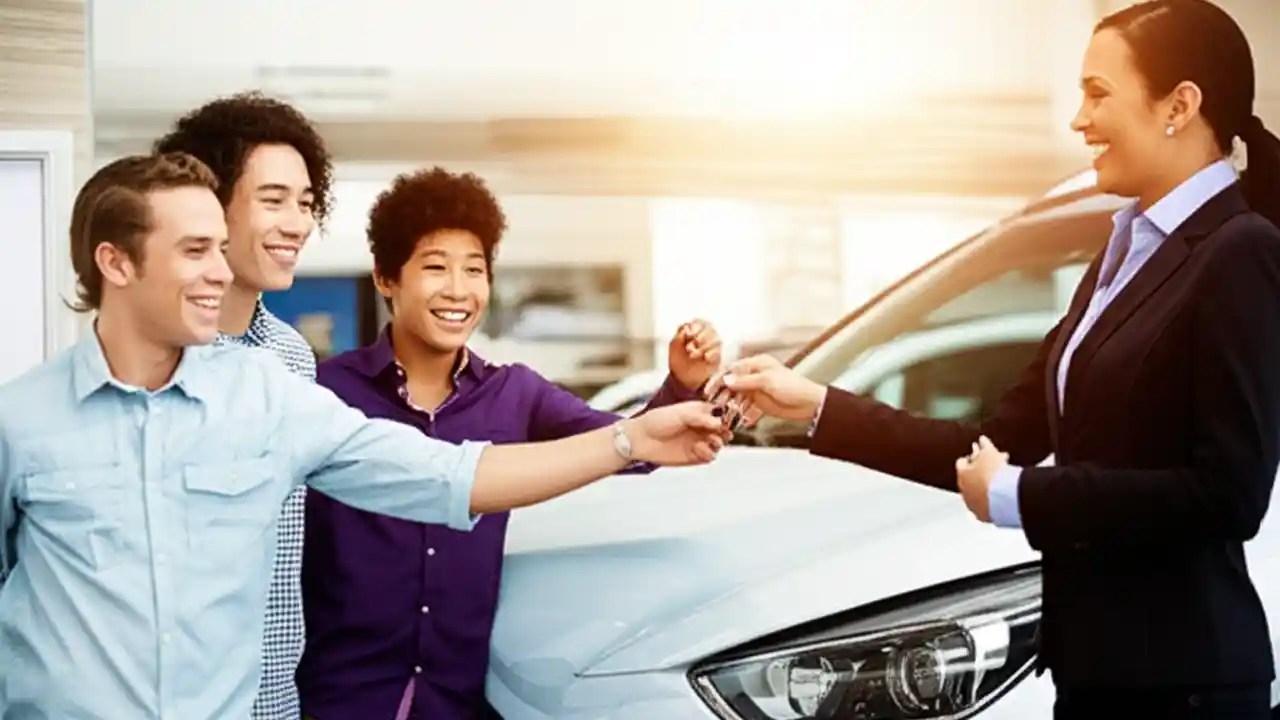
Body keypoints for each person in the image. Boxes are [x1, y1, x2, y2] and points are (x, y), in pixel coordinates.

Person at [0, 152, 729, 719]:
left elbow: (450, 476)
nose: (223, 272)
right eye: (197, 251)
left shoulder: (269, 398)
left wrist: (631, 439)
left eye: (223, 248)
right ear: (116, 262)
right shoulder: (20, 422)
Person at [715, 2, 1280, 718]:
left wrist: (1021, 497)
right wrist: (817, 404)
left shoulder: (1240, 252)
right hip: (1099, 676)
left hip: (1184, 683)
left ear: (1180, 104)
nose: (1079, 119)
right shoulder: (1125, 254)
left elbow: (1228, 494)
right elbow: (984, 442)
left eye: (1098, 93)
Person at [296, 167, 723, 720]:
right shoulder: (326, 393)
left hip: (459, 703)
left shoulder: (514, 394)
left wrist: (681, 383)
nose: (458, 289)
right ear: (385, 277)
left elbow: (628, 445)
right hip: (338, 701)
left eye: (474, 269)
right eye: (435, 267)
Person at [152, 90, 331, 720]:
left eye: (306, 203)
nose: (298, 223)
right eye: (273, 200)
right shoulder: (150, 355)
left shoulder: (290, 357)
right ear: (208, 206)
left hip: (274, 701)